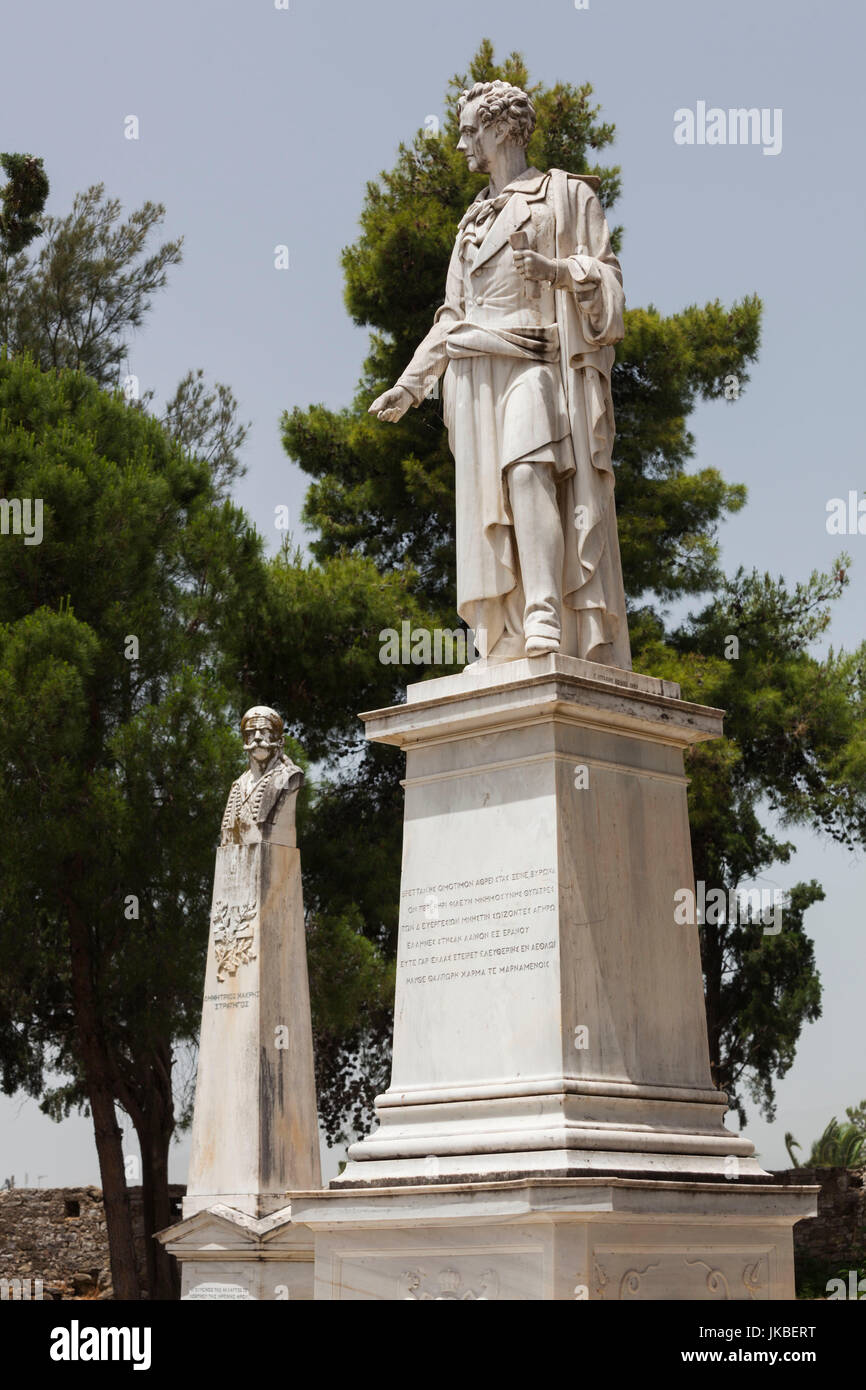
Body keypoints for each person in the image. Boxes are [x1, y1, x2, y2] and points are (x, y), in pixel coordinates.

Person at [369, 79, 631, 668]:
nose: (461, 143)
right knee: (494, 500)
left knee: (529, 465)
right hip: (474, 374)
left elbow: (610, 288)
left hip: (540, 360)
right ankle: (507, 631)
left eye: (468, 130)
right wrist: (411, 384)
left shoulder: (564, 195)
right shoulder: (471, 223)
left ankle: (545, 611)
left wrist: (555, 270)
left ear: (501, 128)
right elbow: (451, 318)